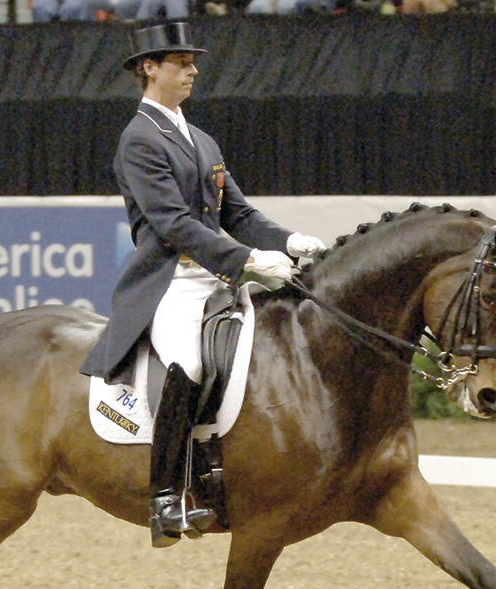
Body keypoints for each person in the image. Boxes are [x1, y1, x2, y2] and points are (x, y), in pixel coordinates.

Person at [80, 22, 326, 548]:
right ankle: (165, 497)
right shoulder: (139, 139)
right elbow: (173, 224)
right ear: (150, 68)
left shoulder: (202, 138)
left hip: (216, 277)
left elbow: (236, 212)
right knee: (188, 363)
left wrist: (291, 242)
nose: (192, 70)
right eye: (181, 62)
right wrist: (249, 262)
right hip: (170, 281)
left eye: (192, 62)